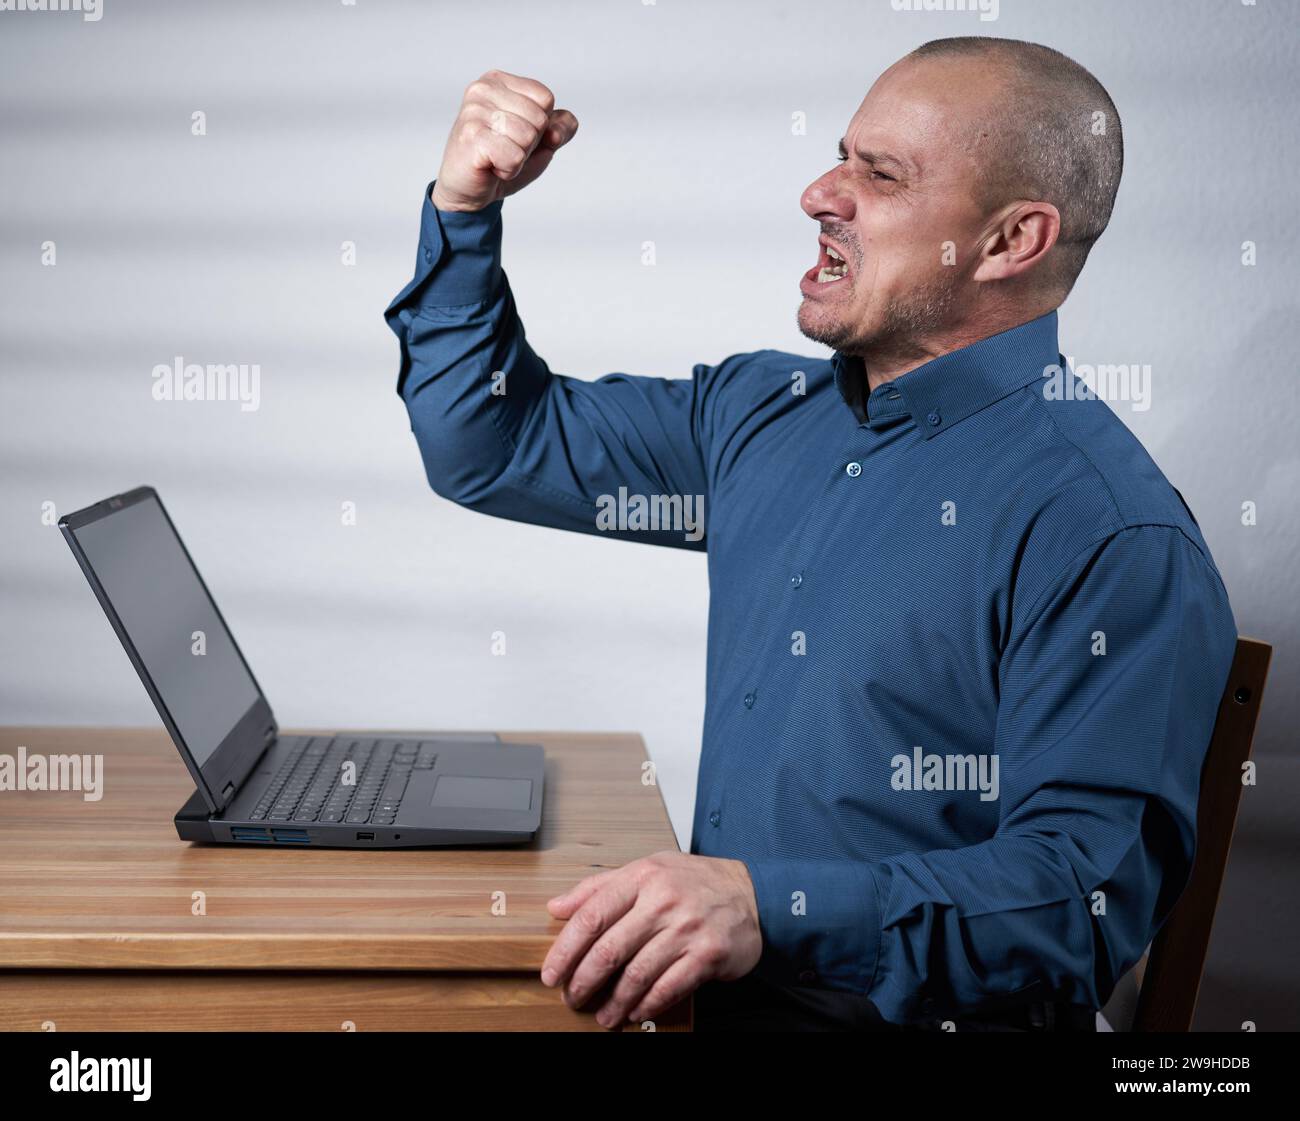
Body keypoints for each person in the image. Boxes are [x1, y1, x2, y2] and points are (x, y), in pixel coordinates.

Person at [384, 37, 1237, 1031]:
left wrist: (766, 904)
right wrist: (464, 210)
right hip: (703, 1005)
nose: (818, 192)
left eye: (881, 174)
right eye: (842, 154)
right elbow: (490, 443)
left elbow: (1080, 899)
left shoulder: (1110, 533)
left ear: (1011, 241)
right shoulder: (760, 414)